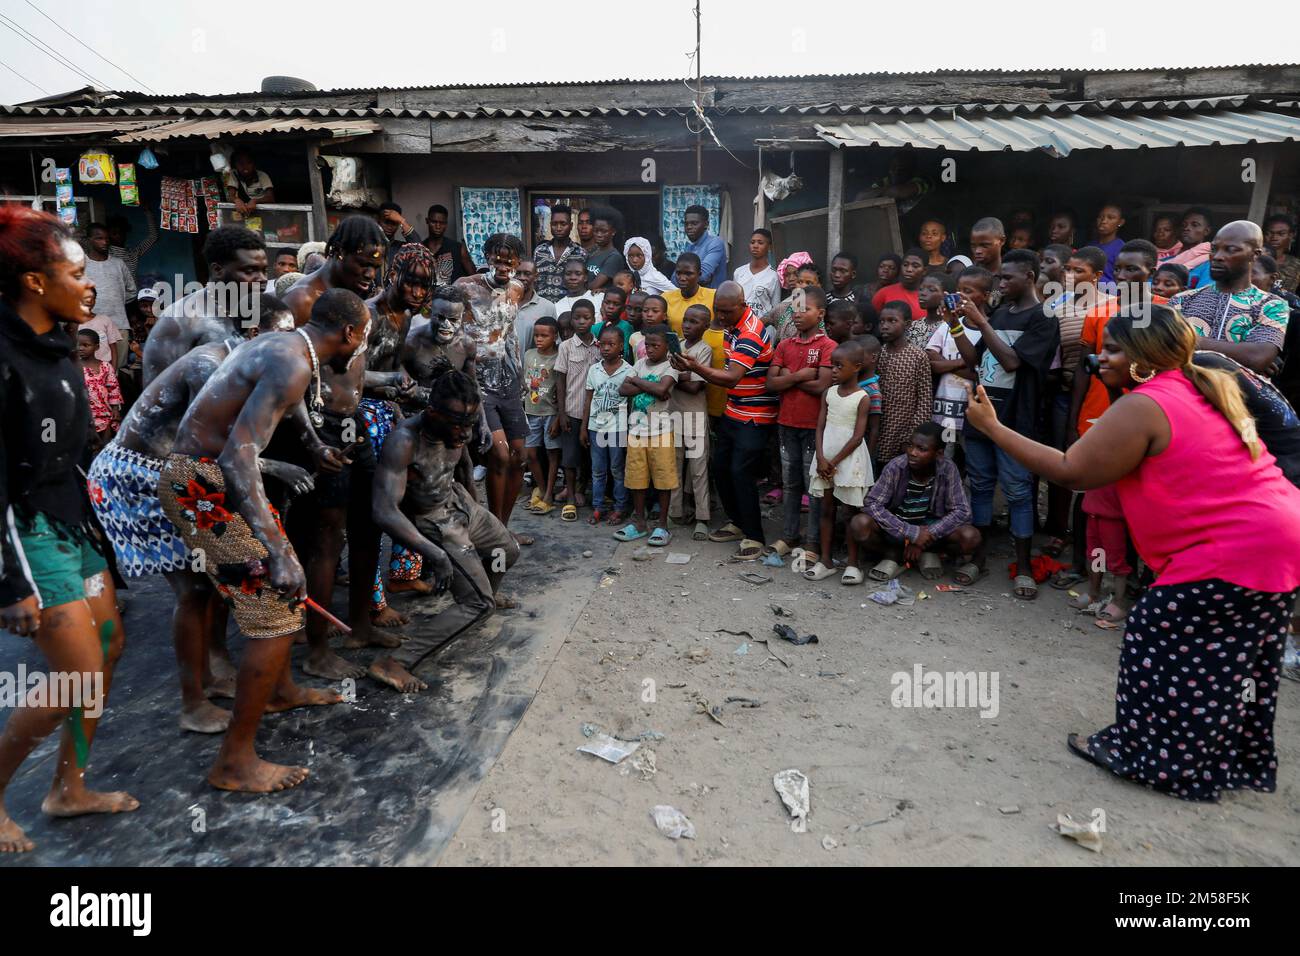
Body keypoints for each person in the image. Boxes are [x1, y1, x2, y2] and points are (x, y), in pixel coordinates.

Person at [965, 303, 1300, 801]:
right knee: (1231, 662)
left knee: (1158, 641)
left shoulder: (1146, 404)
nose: (1103, 357)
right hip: (1280, 536)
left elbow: (1071, 470)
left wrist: (992, 427)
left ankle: (1150, 759)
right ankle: (1221, 763)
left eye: (1116, 349)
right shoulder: (1207, 386)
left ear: (1147, 356)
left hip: (1231, 547)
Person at [158, 289, 371, 792]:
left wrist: (315, 447)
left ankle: (280, 690)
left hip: (210, 478)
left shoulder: (286, 347)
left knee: (285, 593)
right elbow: (238, 457)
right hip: (199, 485)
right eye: (363, 339)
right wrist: (276, 548)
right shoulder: (293, 363)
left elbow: (273, 412)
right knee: (275, 612)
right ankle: (233, 761)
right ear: (350, 333)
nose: (362, 349)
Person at [90, 294, 319, 734]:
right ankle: (192, 702)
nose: (289, 348)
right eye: (281, 337)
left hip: (175, 473)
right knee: (193, 589)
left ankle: (212, 679)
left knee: (207, 582)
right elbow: (209, 450)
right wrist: (275, 466)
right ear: (255, 334)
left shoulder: (247, 364)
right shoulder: (209, 364)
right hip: (136, 475)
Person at [0, 208, 136, 853]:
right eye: (77, 273)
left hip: (69, 524)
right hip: (24, 535)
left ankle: (68, 788)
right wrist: (8, 585)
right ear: (33, 282)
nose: (91, 285)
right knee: (74, 676)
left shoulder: (59, 342)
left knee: (107, 646)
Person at [366, 369, 520, 693]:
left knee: (506, 550)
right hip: (430, 520)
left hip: (458, 502)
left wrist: (478, 517)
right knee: (479, 605)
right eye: (457, 424)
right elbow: (383, 511)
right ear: (434, 414)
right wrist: (434, 553)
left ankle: (481, 595)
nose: (465, 432)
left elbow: (463, 468)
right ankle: (395, 663)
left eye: (470, 422)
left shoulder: (460, 418)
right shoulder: (405, 441)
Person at [949, 249, 1059, 598]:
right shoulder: (1000, 313)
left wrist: (981, 321)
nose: (1001, 283)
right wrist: (955, 324)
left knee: (1017, 491)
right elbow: (972, 360)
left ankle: (1023, 566)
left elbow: (1012, 362)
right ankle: (978, 558)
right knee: (980, 487)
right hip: (982, 413)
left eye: (1007, 277)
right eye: (999, 278)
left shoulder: (1043, 317)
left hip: (1014, 420)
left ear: (1030, 277)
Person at [670, 281, 776, 560]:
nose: (722, 317)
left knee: (741, 472)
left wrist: (695, 367)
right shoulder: (732, 327)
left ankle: (754, 536)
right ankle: (737, 523)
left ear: (742, 306)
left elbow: (731, 378)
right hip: (735, 409)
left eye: (727, 312)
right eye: (718, 311)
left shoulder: (751, 332)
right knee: (720, 468)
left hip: (755, 414)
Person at [358, 243, 434, 626]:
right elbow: (345, 376)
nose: (418, 293)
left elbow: (396, 372)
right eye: (412, 284)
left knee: (409, 494)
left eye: (425, 286)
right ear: (394, 276)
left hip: (388, 412)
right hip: (359, 417)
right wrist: (390, 383)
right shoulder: (367, 315)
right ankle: (372, 602)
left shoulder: (404, 317)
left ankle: (404, 575)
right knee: (374, 508)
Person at [454, 233, 531, 543]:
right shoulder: (465, 286)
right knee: (498, 455)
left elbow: (508, 334)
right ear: (486, 257)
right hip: (477, 382)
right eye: (497, 258)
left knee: (520, 456)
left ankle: (503, 527)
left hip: (508, 381)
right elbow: (452, 331)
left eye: (510, 260)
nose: (504, 265)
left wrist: (521, 375)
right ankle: (492, 532)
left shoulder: (516, 290)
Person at [853, 422, 979, 582]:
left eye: (922, 449)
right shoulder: (896, 467)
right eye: (911, 446)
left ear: (939, 453)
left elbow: (962, 511)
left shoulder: (948, 469)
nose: (912, 452)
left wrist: (927, 535)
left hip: (933, 533)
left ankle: (928, 553)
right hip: (897, 529)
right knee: (860, 524)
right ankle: (894, 554)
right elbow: (871, 504)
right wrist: (911, 533)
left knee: (970, 537)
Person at [143, 226, 268, 384]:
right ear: (217, 270)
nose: (262, 279)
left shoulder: (267, 312)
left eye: (265, 271)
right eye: (250, 271)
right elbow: (156, 396)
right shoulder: (180, 319)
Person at [1168, 221, 1289, 376]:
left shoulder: (1272, 305)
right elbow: (1163, 349)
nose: (1217, 257)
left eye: (1231, 250)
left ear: (1255, 255)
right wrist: (1239, 355)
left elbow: (1258, 357)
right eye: (1214, 249)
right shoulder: (1182, 300)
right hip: (1180, 389)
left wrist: (1187, 341)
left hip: (1237, 396)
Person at [766, 287, 834, 561]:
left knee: (813, 486)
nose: (798, 314)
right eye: (795, 309)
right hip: (787, 423)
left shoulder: (828, 347)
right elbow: (771, 383)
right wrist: (802, 374)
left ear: (821, 313)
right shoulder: (784, 345)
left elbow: (822, 385)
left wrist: (789, 376)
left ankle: (813, 542)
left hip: (813, 427)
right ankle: (789, 534)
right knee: (790, 483)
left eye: (805, 309)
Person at [803, 340, 873, 583]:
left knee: (850, 512)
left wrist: (834, 461)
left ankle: (853, 564)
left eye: (838, 366)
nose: (833, 370)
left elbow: (857, 436)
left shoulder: (863, 397)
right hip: (825, 458)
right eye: (832, 365)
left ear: (856, 367)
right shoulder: (829, 393)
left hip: (848, 460)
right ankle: (825, 560)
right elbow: (820, 426)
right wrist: (821, 458)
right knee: (826, 509)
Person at [614, 325, 678, 544]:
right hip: (637, 431)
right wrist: (651, 385)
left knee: (663, 479)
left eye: (655, 345)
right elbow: (623, 390)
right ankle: (639, 522)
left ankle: (662, 525)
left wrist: (639, 382)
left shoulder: (671, 366)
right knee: (636, 479)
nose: (649, 349)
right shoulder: (639, 364)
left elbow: (662, 391)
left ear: (666, 347)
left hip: (661, 431)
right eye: (647, 345)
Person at [926, 266, 989, 451]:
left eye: (968, 291)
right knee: (946, 454)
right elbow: (932, 361)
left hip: (972, 409)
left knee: (971, 456)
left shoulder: (989, 329)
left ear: (985, 295)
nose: (961, 296)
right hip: (946, 407)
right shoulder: (949, 324)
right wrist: (966, 363)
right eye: (959, 290)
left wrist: (946, 364)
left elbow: (980, 373)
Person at [667, 304, 714, 540]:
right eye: (686, 320)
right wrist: (681, 375)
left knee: (698, 467)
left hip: (694, 415)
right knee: (674, 464)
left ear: (706, 326)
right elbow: (673, 376)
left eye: (694, 322)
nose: (687, 325)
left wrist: (676, 376)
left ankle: (702, 517)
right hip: (674, 413)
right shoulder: (675, 347)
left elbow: (696, 385)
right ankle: (675, 512)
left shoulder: (704, 350)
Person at [874, 301, 934, 474]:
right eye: (882, 321)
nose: (885, 326)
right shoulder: (878, 354)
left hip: (903, 431)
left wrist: (912, 437)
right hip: (878, 429)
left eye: (892, 321)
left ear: (907, 324)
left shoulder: (917, 356)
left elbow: (924, 399)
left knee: (899, 474)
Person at [553, 299, 599, 520]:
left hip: (597, 414)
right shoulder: (566, 347)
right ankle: (570, 498)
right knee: (570, 458)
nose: (581, 322)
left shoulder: (601, 346)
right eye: (577, 318)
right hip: (572, 411)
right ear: (571, 320)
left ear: (594, 319)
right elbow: (560, 381)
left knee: (590, 457)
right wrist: (561, 414)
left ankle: (583, 491)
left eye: (586, 317)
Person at [582, 325, 633, 525]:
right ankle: (598, 507)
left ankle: (620, 507)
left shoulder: (629, 371)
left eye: (611, 344)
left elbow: (630, 404)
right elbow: (588, 400)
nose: (606, 348)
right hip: (596, 428)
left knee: (617, 469)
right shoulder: (594, 370)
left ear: (621, 346)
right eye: (602, 344)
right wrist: (583, 427)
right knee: (597, 469)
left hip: (618, 428)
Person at [523, 315, 562, 514]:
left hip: (550, 413)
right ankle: (542, 487)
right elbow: (525, 381)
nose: (539, 339)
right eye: (537, 335)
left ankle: (548, 494)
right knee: (530, 454)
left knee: (552, 453)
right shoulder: (529, 354)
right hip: (531, 411)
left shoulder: (558, 357)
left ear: (555, 337)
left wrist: (558, 416)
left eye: (544, 336)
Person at [82, 222, 135, 363]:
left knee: (118, 370)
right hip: (90, 327)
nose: (104, 242)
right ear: (88, 240)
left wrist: (116, 302)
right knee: (95, 372)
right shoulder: (81, 265)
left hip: (119, 325)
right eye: (99, 238)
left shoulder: (118, 264)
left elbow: (131, 290)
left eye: (107, 238)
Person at [77, 329, 123, 450]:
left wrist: (115, 409)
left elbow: (113, 388)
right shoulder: (73, 367)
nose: (80, 348)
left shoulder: (106, 366)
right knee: (85, 446)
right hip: (83, 414)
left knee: (104, 446)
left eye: (85, 345)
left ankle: (101, 465)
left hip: (104, 413)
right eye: (78, 345)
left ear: (96, 347)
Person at [534, 205, 588, 302]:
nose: (558, 228)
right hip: (542, 309)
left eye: (563, 224)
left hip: (568, 309)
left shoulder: (580, 253)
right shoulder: (540, 251)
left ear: (571, 226)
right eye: (555, 224)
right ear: (550, 225)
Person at [663, 252, 717, 337]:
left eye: (688, 274)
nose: (682, 278)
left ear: (699, 274)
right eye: (679, 273)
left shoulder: (713, 296)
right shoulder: (666, 298)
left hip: (705, 349)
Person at [422, 204, 476, 285]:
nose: (438, 226)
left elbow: (474, 277)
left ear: (446, 224)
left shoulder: (458, 248)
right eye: (434, 222)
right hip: (427, 296)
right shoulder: (420, 248)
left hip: (453, 296)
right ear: (427, 221)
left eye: (442, 223)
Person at [513, 258, 556, 356]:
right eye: (517, 273)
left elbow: (553, 343)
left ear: (536, 277)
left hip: (533, 368)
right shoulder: (502, 304)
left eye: (527, 274)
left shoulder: (547, 307)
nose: (521, 277)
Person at [733, 229, 781, 318]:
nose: (755, 246)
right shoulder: (739, 272)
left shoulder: (774, 276)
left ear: (769, 247)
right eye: (752, 242)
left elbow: (775, 308)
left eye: (760, 243)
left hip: (763, 328)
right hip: (740, 326)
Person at [1167, 207, 1215, 288]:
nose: (1186, 228)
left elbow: (1203, 297)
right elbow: (1141, 294)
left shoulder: (1210, 265)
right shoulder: (1166, 260)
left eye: (1194, 225)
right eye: (1184, 225)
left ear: (1206, 231)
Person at [682, 205, 727, 289]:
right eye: (686, 224)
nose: (689, 227)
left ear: (706, 224)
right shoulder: (689, 248)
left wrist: (684, 276)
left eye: (694, 223)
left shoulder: (715, 243)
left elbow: (703, 275)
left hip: (712, 300)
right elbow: (674, 278)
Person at [871, 250, 925, 320]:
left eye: (915, 266)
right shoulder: (883, 293)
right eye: (905, 265)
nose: (909, 269)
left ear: (924, 270)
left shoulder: (930, 295)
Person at [80, 286, 124, 367]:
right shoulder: (73, 324)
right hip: (83, 370)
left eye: (92, 298)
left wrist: (113, 371)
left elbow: (113, 349)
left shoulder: (105, 320)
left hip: (105, 368)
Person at [106, 213, 158, 279]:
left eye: (121, 232)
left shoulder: (132, 253)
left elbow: (153, 236)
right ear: (108, 235)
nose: (118, 236)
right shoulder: (107, 253)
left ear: (125, 233)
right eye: (114, 233)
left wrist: (148, 211)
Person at [223, 149, 275, 215]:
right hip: (246, 213)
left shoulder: (262, 175)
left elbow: (270, 198)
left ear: (253, 164)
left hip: (264, 213)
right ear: (235, 165)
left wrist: (255, 201)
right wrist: (237, 200)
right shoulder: (234, 174)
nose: (245, 167)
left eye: (249, 163)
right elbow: (230, 196)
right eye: (241, 163)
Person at [968, 218, 1005, 303]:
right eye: (974, 246)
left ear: (1002, 241)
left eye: (984, 245)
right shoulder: (967, 275)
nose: (977, 251)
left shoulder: (1007, 277)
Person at [592, 286, 633, 362]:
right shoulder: (595, 328)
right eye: (607, 302)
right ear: (602, 304)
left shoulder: (627, 327)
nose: (610, 307)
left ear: (623, 308)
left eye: (616, 304)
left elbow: (625, 354)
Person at [377, 201, 419, 271]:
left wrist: (402, 221)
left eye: (394, 223)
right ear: (378, 221)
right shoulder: (369, 246)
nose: (389, 227)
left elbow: (420, 250)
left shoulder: (402, 249)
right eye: (386, 222)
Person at [1263, 213, 1300, 294]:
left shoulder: (1297, 266)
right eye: (1269, 233)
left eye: (1281, 234)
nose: (1274, 238)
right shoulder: (1254, 259)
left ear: (1291, 235)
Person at [908, 274, 945, 349]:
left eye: (931, 290)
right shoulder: (913, 326)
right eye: (921, 289)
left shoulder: (950, 327)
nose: (923, 293)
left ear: (945, 295)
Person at [1092, 203, 1126, 284]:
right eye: (1100, 217)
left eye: (1110, 218)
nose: (1103, 221)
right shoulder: (1090, 246)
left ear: (1120, 222)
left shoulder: (1122, 250)